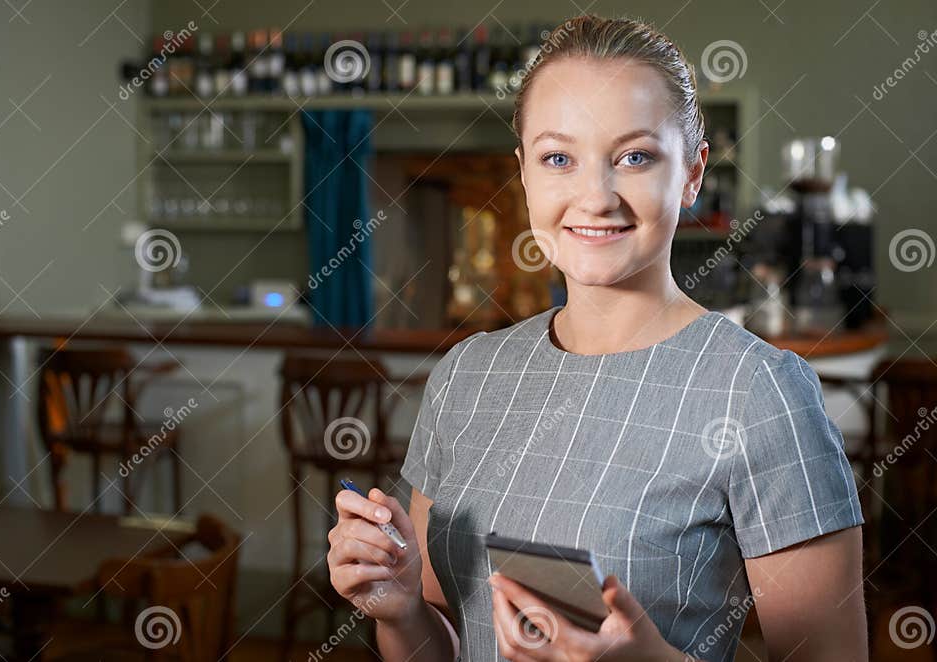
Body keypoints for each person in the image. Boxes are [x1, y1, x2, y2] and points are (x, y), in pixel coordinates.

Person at [328, 14, 867, 662]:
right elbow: (444, 647)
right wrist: (400, 608)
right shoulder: (466, 377)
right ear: (525, 173)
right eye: (560, 158)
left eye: (634, 156)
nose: (596, 196)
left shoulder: (759, 394)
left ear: (692, 173)